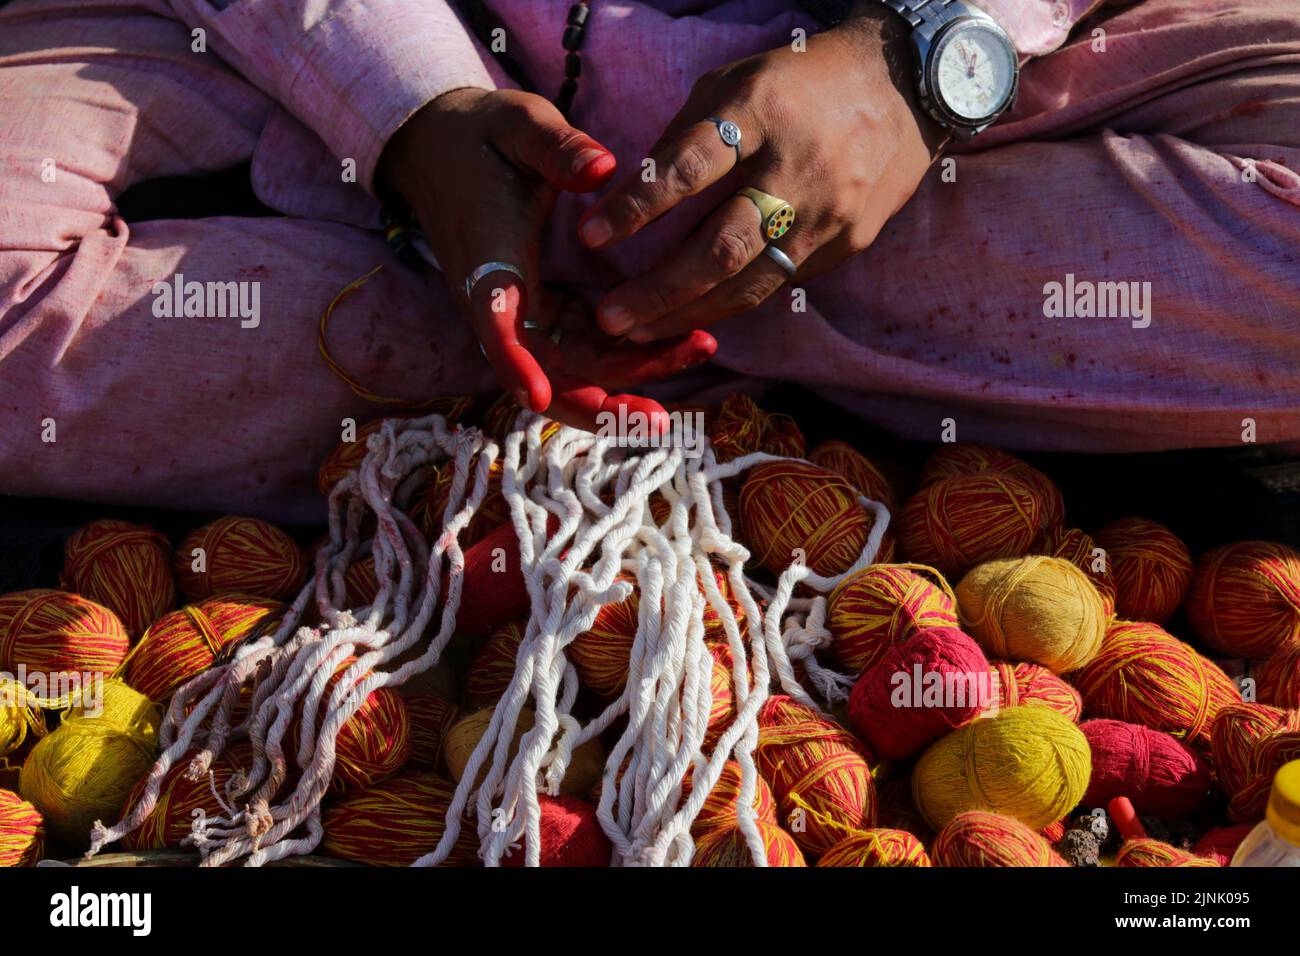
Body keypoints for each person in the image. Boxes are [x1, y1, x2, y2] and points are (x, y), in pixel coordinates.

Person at [0, 0, 1297, 521]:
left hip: (993, 74)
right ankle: (536, 311)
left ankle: (669, 298)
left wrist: (919, 60)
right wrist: (413, 113)